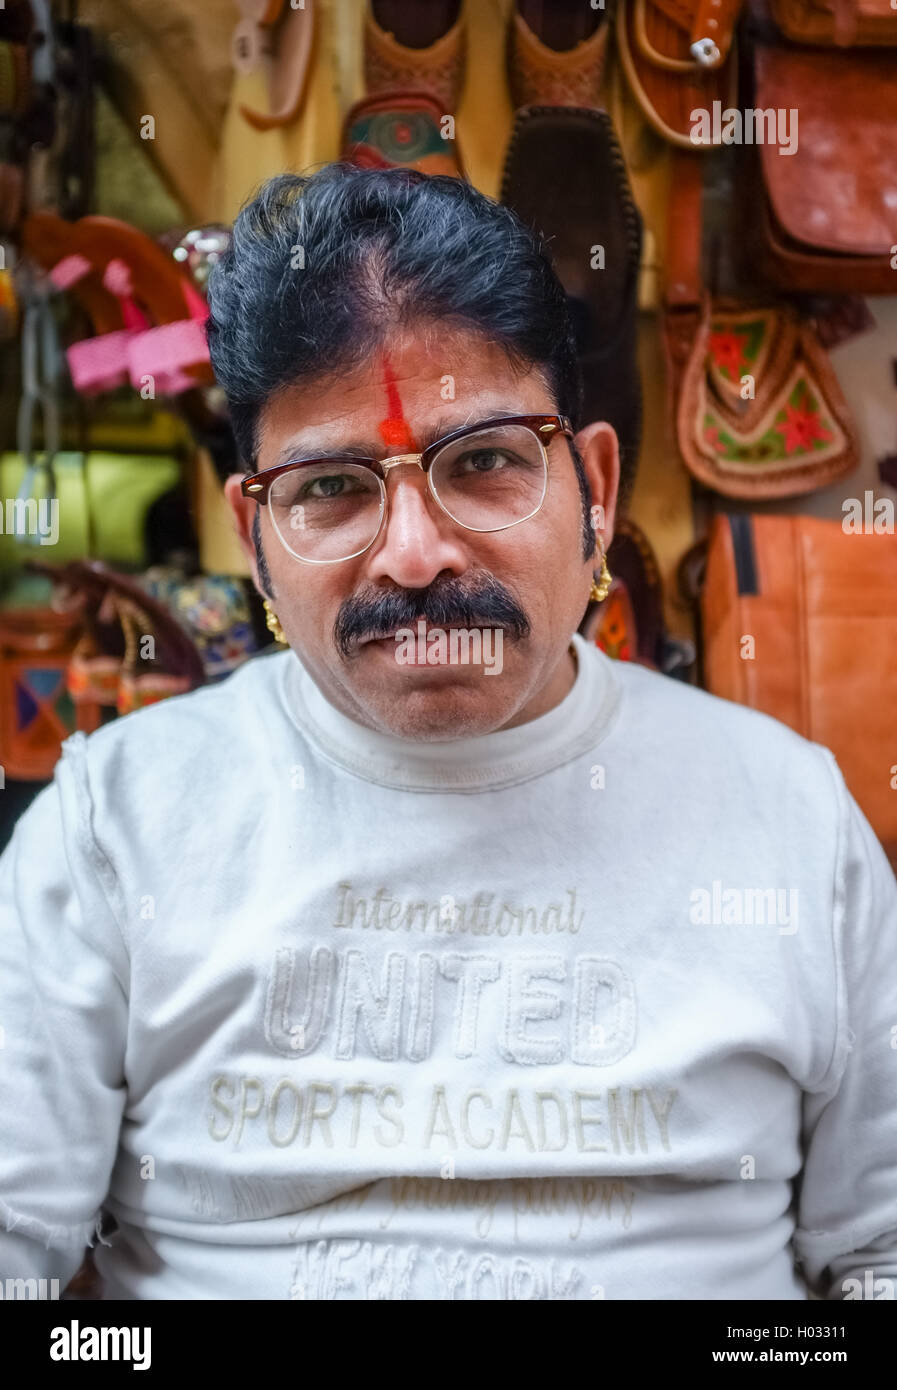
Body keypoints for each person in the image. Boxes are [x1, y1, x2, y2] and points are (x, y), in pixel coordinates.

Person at [1, 166, 894, 1302]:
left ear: (598, 488)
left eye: (484, 463)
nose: (414, 556)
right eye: (331, 486)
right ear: (254, 536)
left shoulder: (789, 815)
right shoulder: (112, 826)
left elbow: (879, 1255)